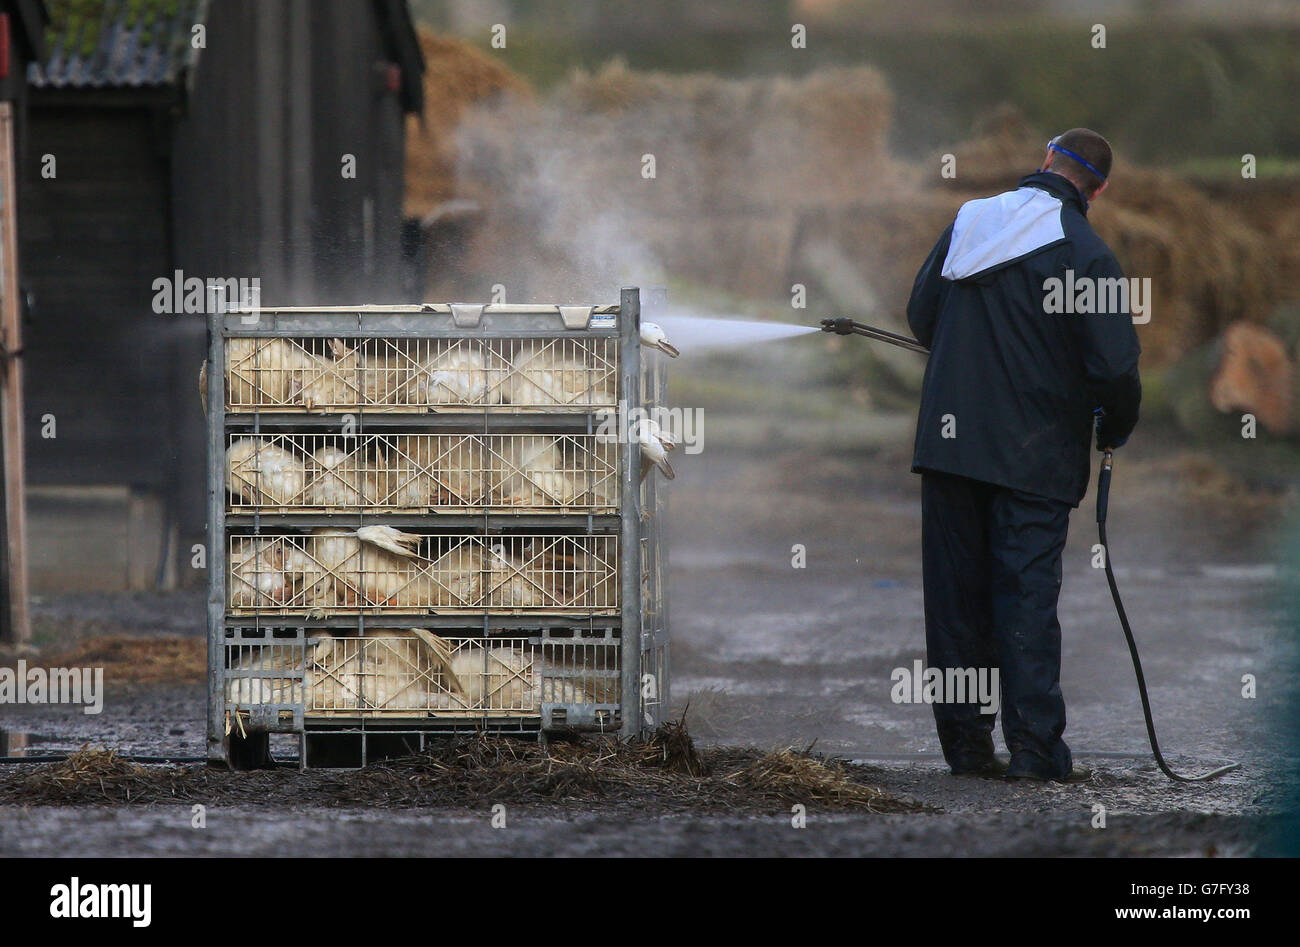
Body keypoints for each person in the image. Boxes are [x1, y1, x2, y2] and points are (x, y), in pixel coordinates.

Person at [905, 128, 1142, 781]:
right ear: (1098, 189)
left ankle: (967, 749)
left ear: (1045, 160)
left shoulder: (970, 220)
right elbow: (1115, 368)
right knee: (1024, 597)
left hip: (950, 449)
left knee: (956, 601)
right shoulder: (1089, 255)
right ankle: (1034, 751)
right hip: (1033, 459)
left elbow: (922, 316)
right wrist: (1112, 426)